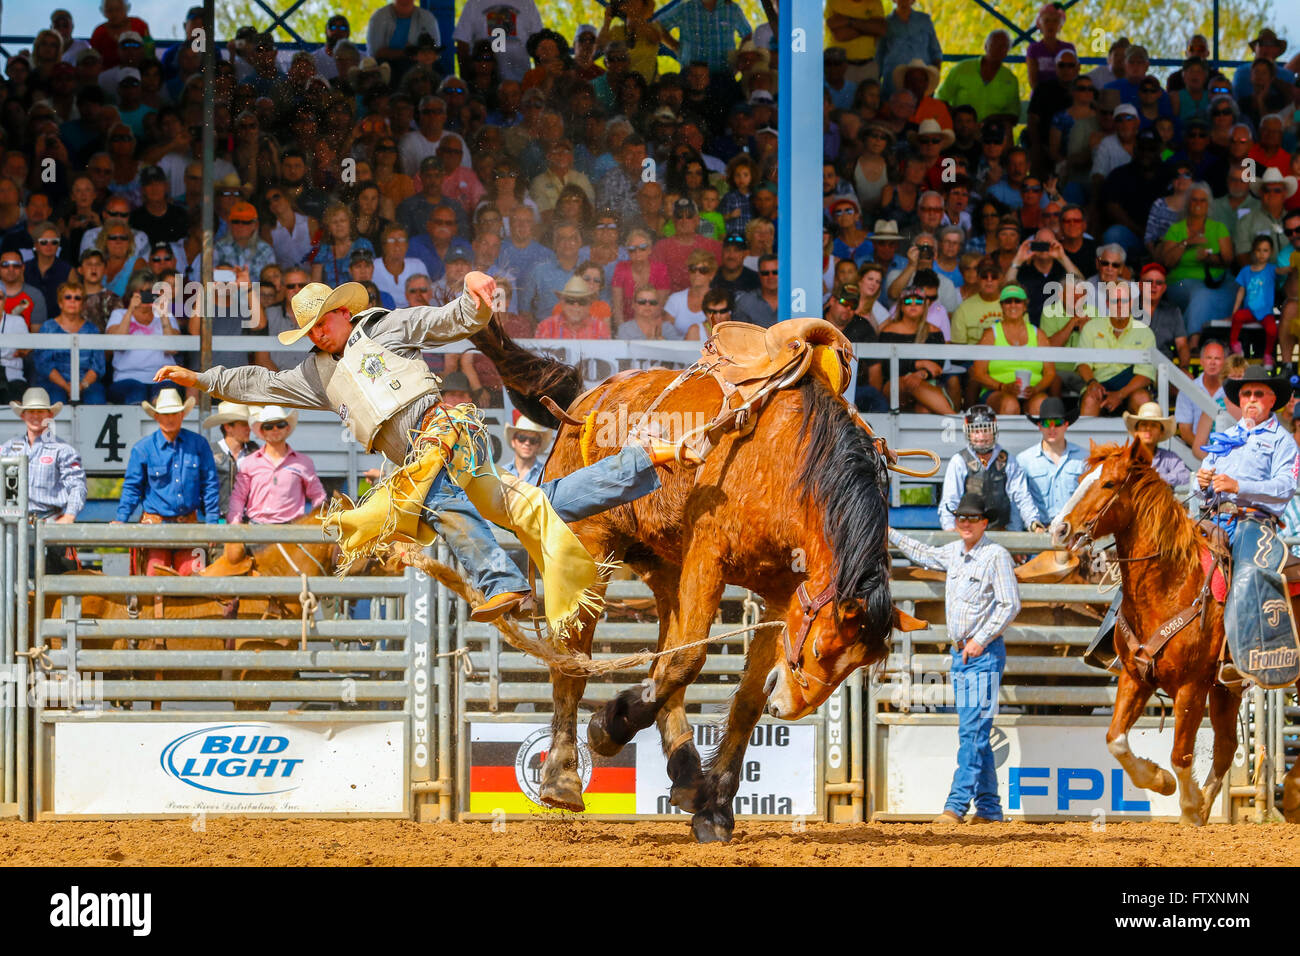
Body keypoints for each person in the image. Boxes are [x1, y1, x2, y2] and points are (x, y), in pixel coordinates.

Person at [154, 276, 700, 624]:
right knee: (536, 502)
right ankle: (643, 460)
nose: (321, 334)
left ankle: (501, 582)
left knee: (437, 498)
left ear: (344, 314)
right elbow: (259, 384)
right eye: (312, 330)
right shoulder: (315, 377)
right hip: (418, 453)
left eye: (325, 323)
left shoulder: (384, 328)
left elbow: (443, 321)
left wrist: (472, 292)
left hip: (443, 431)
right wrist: (202, 379)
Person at [888, 491, 1020, 825]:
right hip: (964, 653)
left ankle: (956, 806)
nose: (966, 523)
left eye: (972, 518)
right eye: (962, 517)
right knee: (975, 731)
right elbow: (924, 553)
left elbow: (1010, 604)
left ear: (984, 522)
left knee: (972, 731)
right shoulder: (956, 553)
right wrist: (888, 533)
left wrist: (980, 639)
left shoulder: (996, 556)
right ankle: (989, 809)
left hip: (980, 652)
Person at [1196, 366, 1300, 684]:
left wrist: (1239, 486)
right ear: (1239, 399)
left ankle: (1237, 655)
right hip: (1213, 518)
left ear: (1272, 401)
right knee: (1161, 551)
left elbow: (1286, 486)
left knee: (1247, 573)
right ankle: (1121, 645)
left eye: (1258, 394)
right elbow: (1201, 486)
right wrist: (1201, 482)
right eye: (1246, 394)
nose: (1251, 399)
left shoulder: (1283, 442)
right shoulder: (1224, 436)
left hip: (1255, 522)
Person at [114, 388, 221, 576]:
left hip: (188, 524)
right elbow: (132, 488)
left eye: (174, 414)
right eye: (165, 414)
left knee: (193, 579)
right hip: (156, 524)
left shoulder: (198, 445)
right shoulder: (143, 449)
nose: (169, 419)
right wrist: (121, 518)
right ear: (156, 417)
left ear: (182, 415)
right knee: (154, 578)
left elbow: (210, 484)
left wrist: (212, 522)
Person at [1, 387, 86, 573]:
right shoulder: (7, 450)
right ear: (23, 415)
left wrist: (69, 516)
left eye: (40, 411)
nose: (36, 416)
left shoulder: (63, 450)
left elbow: (77, 485)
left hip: (51, 527)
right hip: (15, 527)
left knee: (49, 590)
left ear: (49, 415)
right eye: (31, 411)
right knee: (15, 586)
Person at [940, 404, 1043, 532]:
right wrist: (951, 533)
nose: (981, 437)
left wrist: (1033, 523)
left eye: (986, 430)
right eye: (976, 431)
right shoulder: (959, 461)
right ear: (968, 433)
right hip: (968, 533)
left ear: (994, 431)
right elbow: (950, 502)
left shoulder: (1008, 461)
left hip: (1002, 532)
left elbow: (1022, 498)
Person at [228, 405, 327, 530]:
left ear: (287, 428)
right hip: (257, 528)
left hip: (292, 530)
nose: (275, 429)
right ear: (262, 432)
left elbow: (318, 496)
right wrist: (235, 522)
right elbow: (238, 496)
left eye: (280, 424)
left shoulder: (304, 462)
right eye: (269, 426)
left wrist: (317, 521)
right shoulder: (249, 462)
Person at [969, 284, 1056, 416]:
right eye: (1008, 302)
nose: (1013, 305)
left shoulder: (1038, 334)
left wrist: (1037, 389)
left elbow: (1050, 372)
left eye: (1018, 301)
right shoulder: (991, 334)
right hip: (996, 391)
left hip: (1032, 391)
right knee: (1009, 404)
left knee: (1040, 404)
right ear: (1002, 306)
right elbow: (978, 373)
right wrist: (1003, 387)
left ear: (1025, 306)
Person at [1075, 282, 1157, 417]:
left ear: (1131, 303)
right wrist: (1092, 383)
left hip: (1131, 390)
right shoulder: (1091, 327)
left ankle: (1145, 438)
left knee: (1142, 398)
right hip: (1099, 387)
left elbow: (1145, 376)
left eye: (1124, 300)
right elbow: (1083, 364)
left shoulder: (1145, 332)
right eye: (1115, 300)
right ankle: (1085, 440)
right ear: (1107, 303)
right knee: (1090, 398)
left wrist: (1119, 394)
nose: (1119, 305)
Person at [1016, 397, 1088, 527]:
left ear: (1066, 425)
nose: (1052, 428)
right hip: (1038, 532)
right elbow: (1018, 502)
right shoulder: (1024, 460)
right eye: (1046, 423)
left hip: (1073, 531)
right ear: (1039, 426)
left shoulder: (1084, 458)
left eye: (1058, 422)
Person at [33, 282, 106, 405]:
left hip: (86, 383)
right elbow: (43, 364)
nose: (72, 301)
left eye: (77, 298)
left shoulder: (92, 329)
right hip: (54, 382)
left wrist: (81, 386)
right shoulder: (48, 327)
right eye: (68, 297)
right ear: (60, 303)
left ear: (82, 304)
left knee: (96, 399)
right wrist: (67, 387)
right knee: (56, 398)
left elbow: (97, 365)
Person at [1230, 234, 1282, 366]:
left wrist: (1293, 266)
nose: (1261, 254)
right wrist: (1235, 310)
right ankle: (1235, 345)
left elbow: (1282, 271)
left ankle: (1267, 354)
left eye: (1265, 250)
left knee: (1272, 330)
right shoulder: (1246, 270)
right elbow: (1241, 291)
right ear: (1253, 251)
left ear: (1271, 252)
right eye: (1258, 250)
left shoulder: (1271, 269)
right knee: (1237, 317)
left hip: (1265, 312)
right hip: (1250, 311)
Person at [204, 401, 258, 522]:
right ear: (228, 427)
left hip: (249, 520)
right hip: (217, 519)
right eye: (244, 424)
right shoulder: (209, 452)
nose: (249, 428)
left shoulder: (255, 452)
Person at [1124, 402, 1191, 487]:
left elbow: (1185, 476)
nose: (1148, 428)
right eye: (1144, 424)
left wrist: (1156, 478)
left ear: (1161, 433)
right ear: (1136, 431)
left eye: (1154, 425)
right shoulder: (1126, 457)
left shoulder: (1169, 458)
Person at [502, 414, 553, 485]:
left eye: (533, 440)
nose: (527, 443)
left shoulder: (547, 475)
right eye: (522, 438)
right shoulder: (501, 474)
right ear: (513, 441)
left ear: (539, 444)